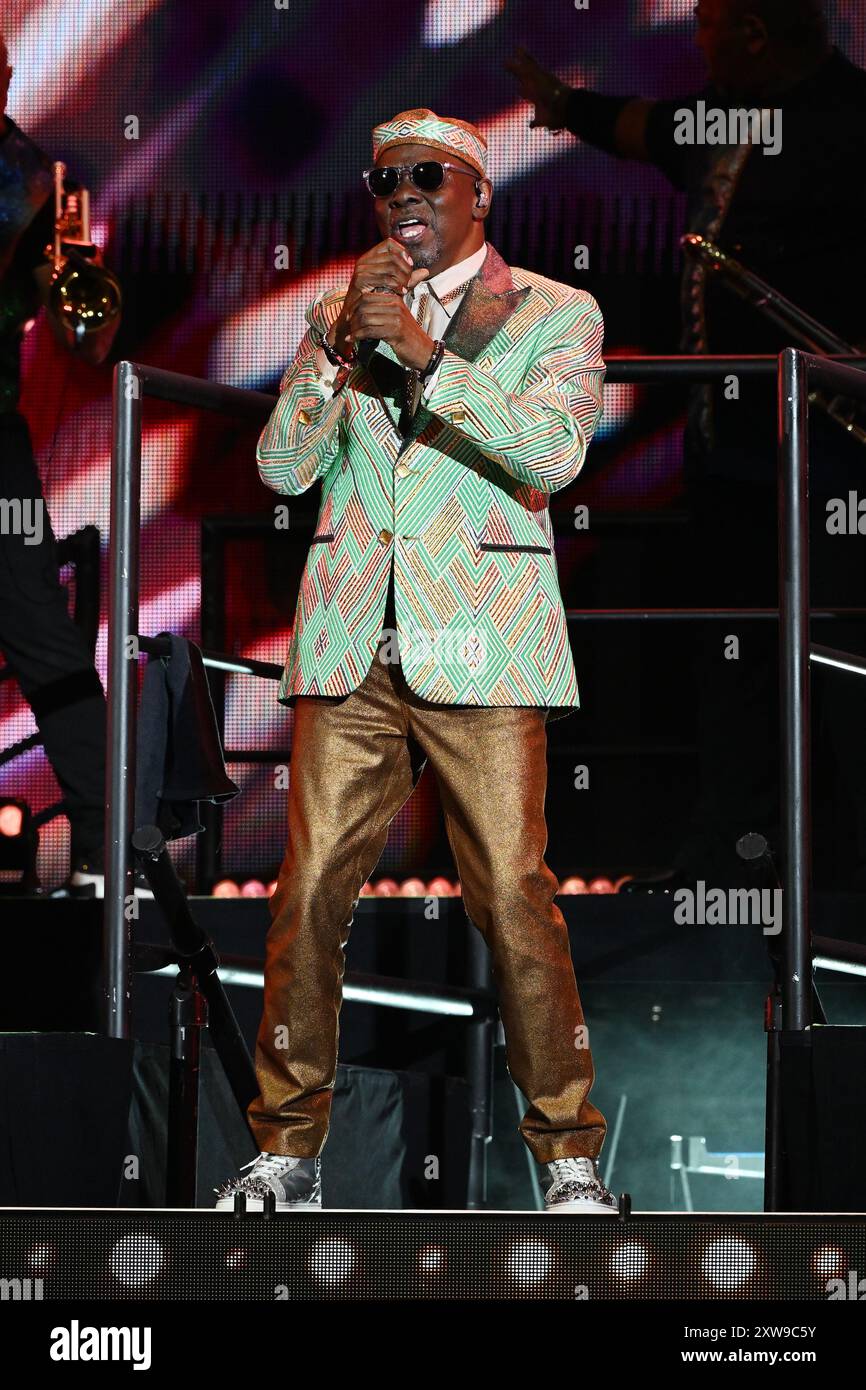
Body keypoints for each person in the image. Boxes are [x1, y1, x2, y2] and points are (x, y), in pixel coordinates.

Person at [215, 107, 617, 1214]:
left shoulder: (552, 310)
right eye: (384, 179)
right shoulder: (337, 315)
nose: (402, 195)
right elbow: (282, 472)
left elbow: (552, 452)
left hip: (480, 643)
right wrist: (344, 349)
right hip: (355, 641)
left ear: (477, 192)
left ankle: (567, 1157)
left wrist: (427, 356)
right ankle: (286, 1155)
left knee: (511, 894)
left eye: (426, 177)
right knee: (305, 896)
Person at [506, 0, 866, 891]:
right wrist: (564, 105)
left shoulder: (853, 122)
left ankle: (853, 875)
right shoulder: (730, 117)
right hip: (738, 454)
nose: (694, 38)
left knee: (845, 663)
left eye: (707, 21)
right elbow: (649, 129)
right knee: (735, 655)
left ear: (754, 30)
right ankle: (730, 862)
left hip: (838, 454)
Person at [0, 34, 119, 895]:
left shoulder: (32, 173)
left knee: (42, 627)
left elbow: (89, 338)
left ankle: (106, 846)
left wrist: (63, 284)